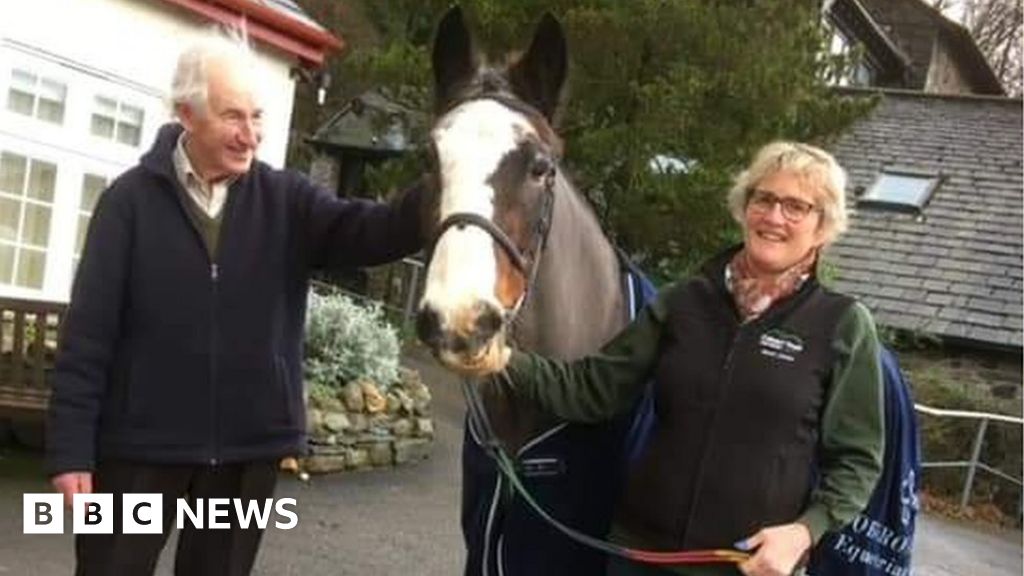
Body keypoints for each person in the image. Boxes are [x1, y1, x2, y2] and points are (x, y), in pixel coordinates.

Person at [45, 31, 426, 576]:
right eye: (232, 117)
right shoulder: (127, 204)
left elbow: (372, 232)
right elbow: (88, 336)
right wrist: (70, 453)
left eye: (257, 116)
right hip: (139, 446)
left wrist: (445, 190)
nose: (251, 136)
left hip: (246, 450)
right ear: (187, 115)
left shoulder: (287, 201)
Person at [474, 141, 885, 576]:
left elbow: (858, 460)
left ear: (823, 228)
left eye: (796, 207)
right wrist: (500, 358)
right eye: (763, 199)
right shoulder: (685, 301)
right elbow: (592, 390)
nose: (774, 216)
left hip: (748, 567)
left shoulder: (842, 324)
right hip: (640, 555)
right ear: (744, 208)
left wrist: (805, 531)